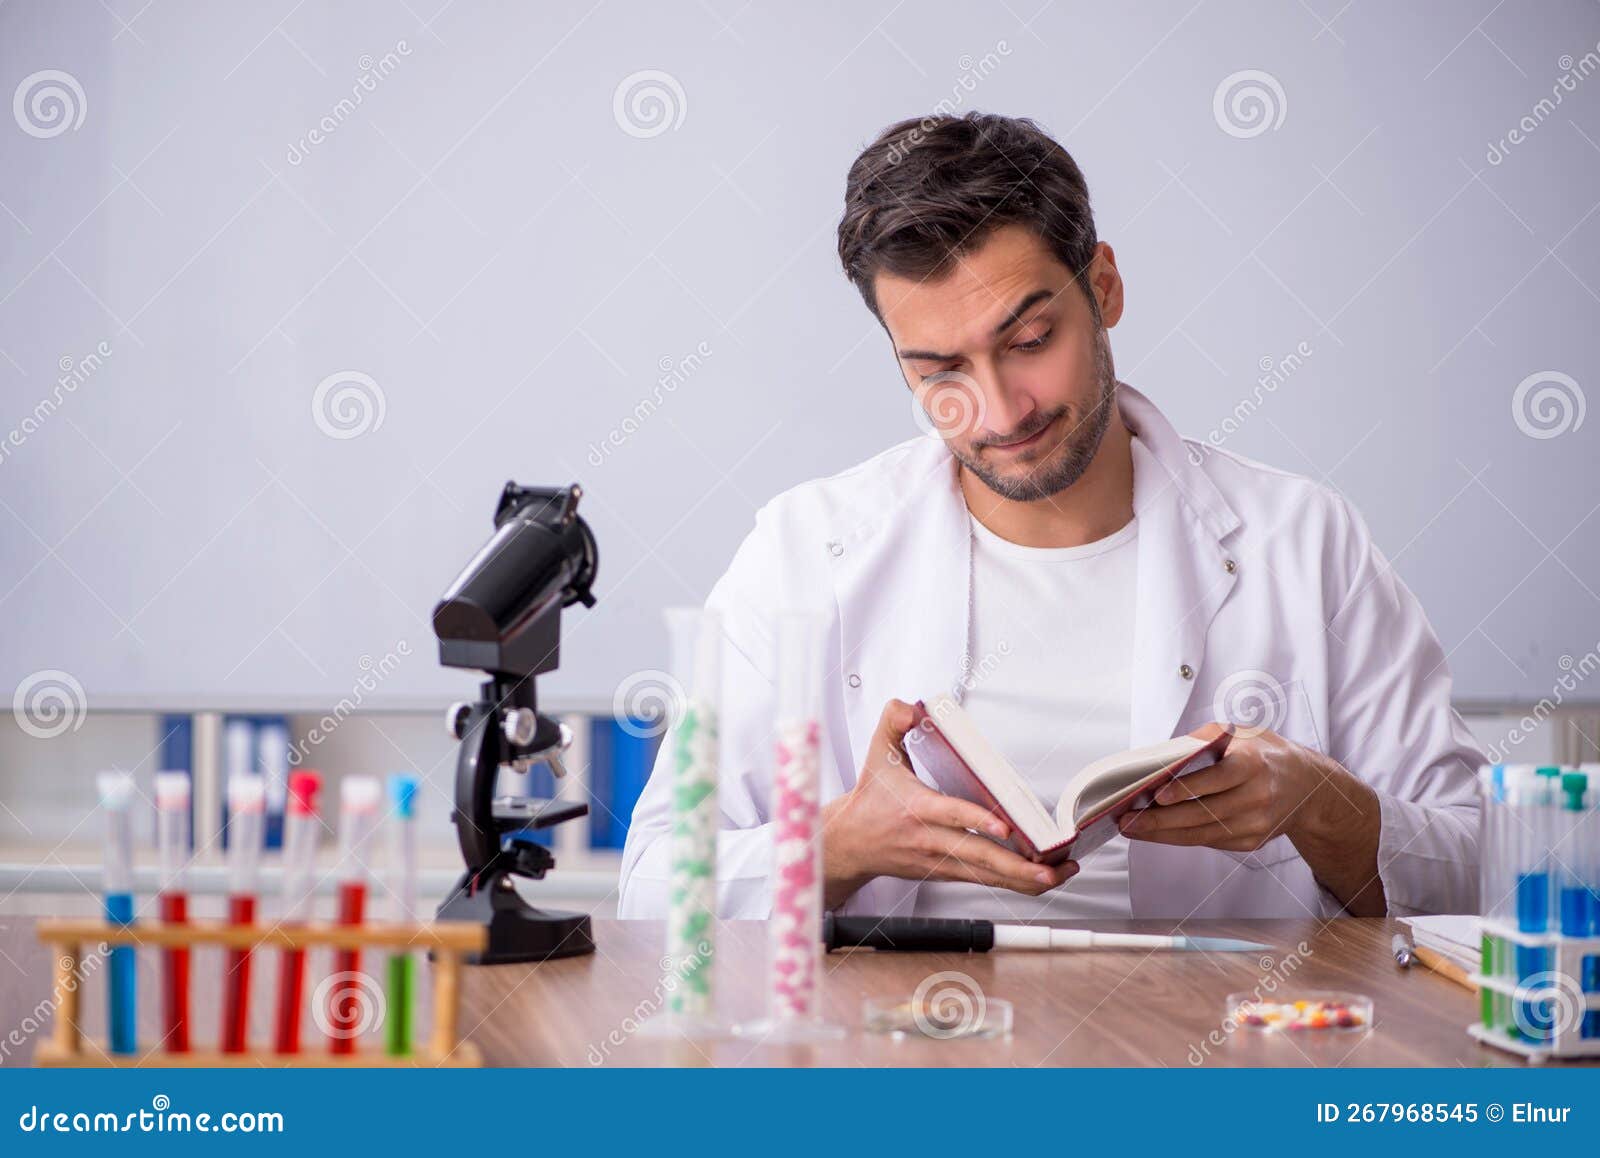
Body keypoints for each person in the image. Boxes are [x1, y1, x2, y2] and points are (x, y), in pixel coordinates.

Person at [619, 112, 1482, 921]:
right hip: (904, 1056)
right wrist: (837, 847)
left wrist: (1318, 804)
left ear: (1103, 287)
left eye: (1030, 342)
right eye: (937, 371)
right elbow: (653, 888)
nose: (997, 412)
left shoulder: (1304, 541)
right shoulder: (803, 550)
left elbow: (1483, 871)